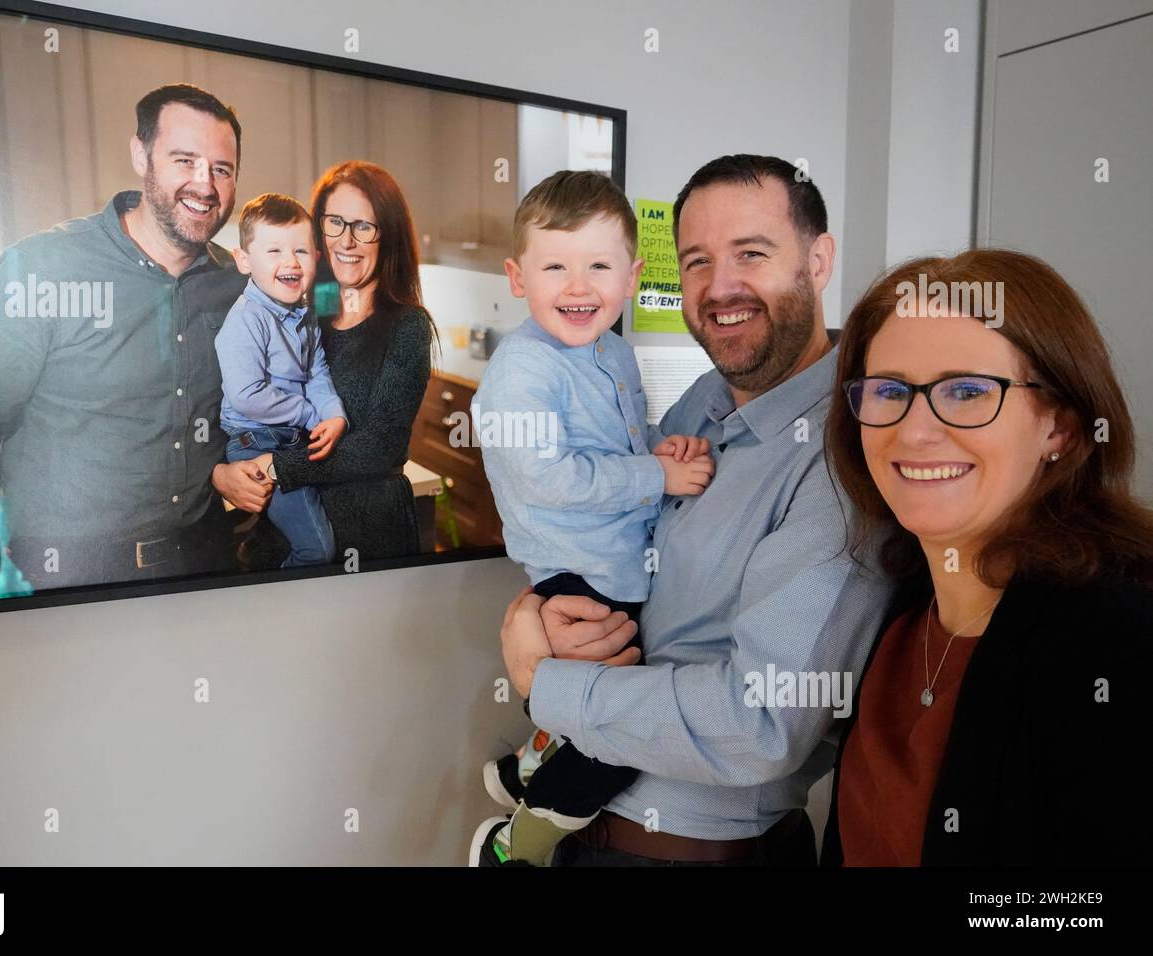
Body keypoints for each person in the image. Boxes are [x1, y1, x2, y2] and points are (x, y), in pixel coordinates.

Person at [496, 155, 894, 866]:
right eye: (697, 261)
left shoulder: (842, 457)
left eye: (752, 253)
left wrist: (544, 681)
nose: (720, 287)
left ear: (820, 259)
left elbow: (761, 723)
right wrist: (542, 616)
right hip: (590, 833)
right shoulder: (702, 403)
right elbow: (616, 537)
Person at [819, 249, 1153, 866]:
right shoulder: (898, 605)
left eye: (967, 391)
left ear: (1062, 428)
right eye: (889, 391)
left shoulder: (1120, 637)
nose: (914, 431)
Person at [469, 171, 714, 866]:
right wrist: (657, 474)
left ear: (632, 276)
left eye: (598, 266)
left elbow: (616, 441)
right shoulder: (523, 368)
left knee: (600, 698)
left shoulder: (611, 351)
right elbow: (544, 475)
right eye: (556, 267)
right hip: (579, 574)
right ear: (519, 277)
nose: (579, 287)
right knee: (619, 738)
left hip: (616, 564)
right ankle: (518, 842)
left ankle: (523, 765)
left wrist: (657, 445)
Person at [0, 83, 248, 596]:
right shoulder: (42, 269)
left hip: (207, 562)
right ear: (141, 154)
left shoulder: (237, 284)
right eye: (184, 160)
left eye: (222, 169)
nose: (204, 184)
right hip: (69, 573)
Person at [244, 161, 437, 561]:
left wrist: (279, 467)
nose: (347, 241)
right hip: (288, 533)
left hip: (369, 538)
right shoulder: (301, 317)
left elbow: (377, 447)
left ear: (390, 236)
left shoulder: (408, 326)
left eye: (364, 226)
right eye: (335, 222)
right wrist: (229, 468)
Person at [216, 193, 347, 568]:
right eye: (274, 251)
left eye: (301, 252)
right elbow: (245, 395)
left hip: (290, 442)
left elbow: (317, 371)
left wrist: (333, 415)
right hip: (254, 443)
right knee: (318, 550)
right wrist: (309, 414)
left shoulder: (306, 315)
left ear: (316, 259)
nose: (290, 262)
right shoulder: (246, 321)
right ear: (244, 260)